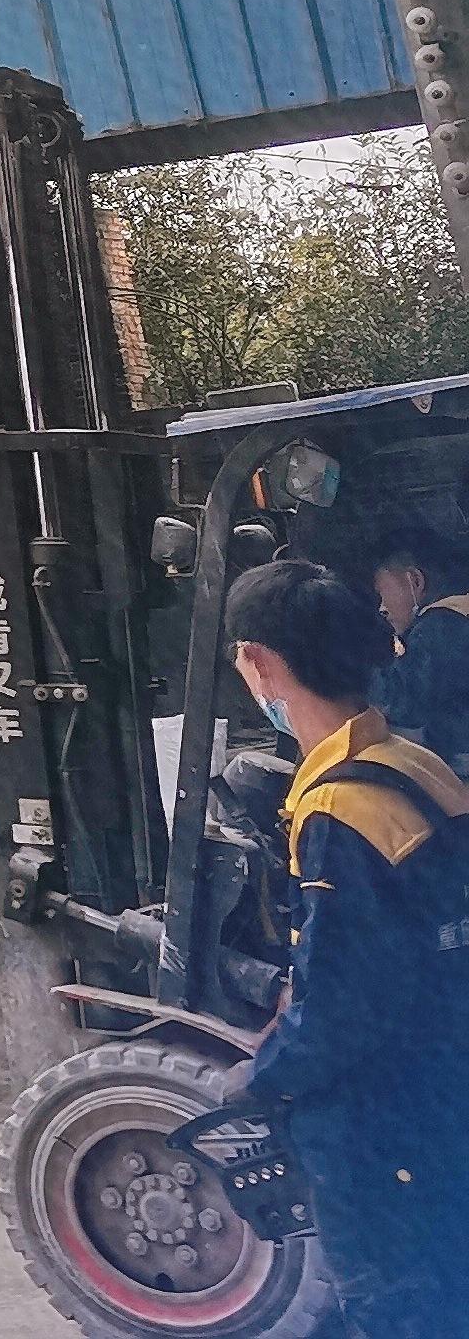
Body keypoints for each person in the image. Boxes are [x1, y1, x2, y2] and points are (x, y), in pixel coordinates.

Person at [226, 556, 469, 1332]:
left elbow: (344, 1007)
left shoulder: (340, 805)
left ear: (260, 661)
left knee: (394, 1300)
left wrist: (264, 1076)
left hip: (382, 1119)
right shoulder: (415, 766)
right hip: (443, 1083)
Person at [366, 529, 469, 758]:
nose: (382, 608)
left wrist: (350, 672)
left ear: (415, 580)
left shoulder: (442, 623)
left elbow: (402, 703)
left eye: (382, 593)